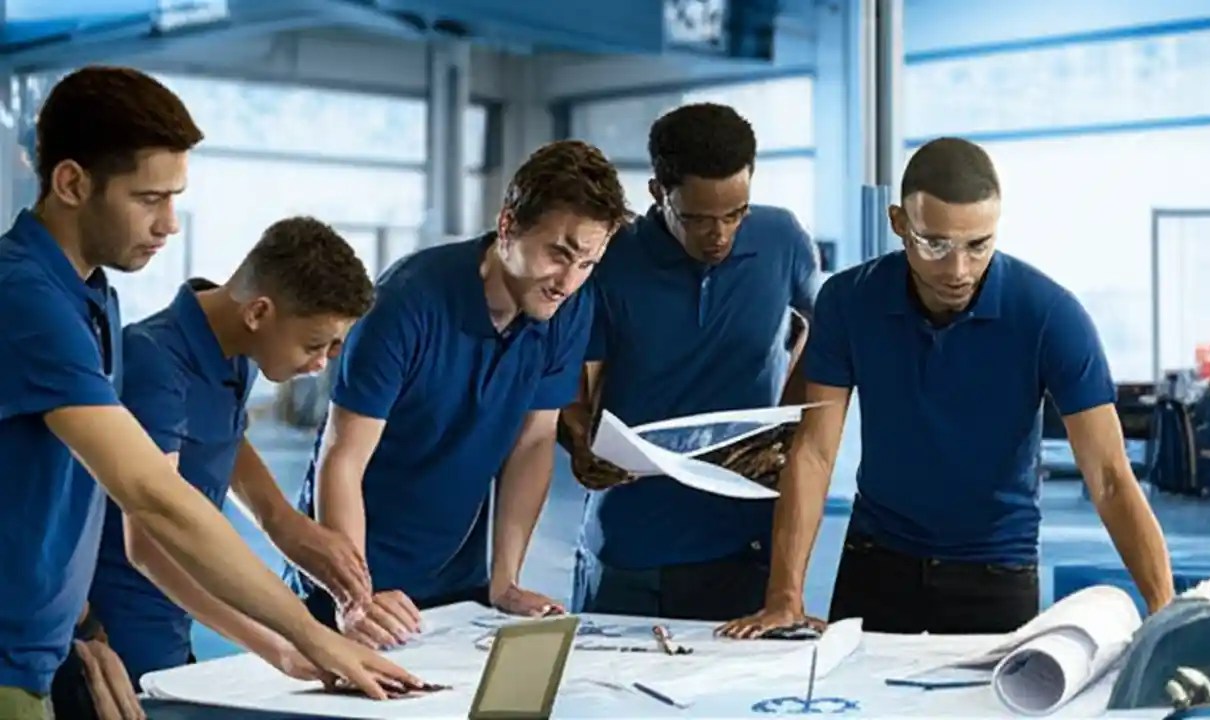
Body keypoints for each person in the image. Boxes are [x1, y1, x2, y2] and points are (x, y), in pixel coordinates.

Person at [0, 65, 420, 720]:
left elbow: (60, 493)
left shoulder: (90, 297)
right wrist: (306, 638)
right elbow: (153, 499)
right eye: (149, 198)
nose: (169, 223)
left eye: (175, 198)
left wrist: (80, 628)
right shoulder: (27, 297)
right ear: (72, 183)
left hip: (43, 649)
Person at [718, 137, 1174, 638]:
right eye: (934, 244)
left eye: (978, 245)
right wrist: (785, 597)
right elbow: (814, 453)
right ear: (898, 223)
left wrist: (1166, 614)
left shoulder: (1050, 316)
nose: (958, 271)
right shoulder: (848, 301)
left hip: (996, 573)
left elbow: (1108, 477)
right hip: (875, 564)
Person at [293, 139, 630, 647]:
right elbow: (342, 459)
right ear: (508, 225)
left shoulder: (567, 310)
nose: (568, 281)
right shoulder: (405, 303)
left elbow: (534, 442)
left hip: (455, 583)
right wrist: (355, 598)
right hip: (348, 578)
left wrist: (505, 581)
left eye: (588, 263)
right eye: (558, 254)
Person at [88, 216, 378, 688]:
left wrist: (283, 521)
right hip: (122, 624)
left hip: (176, 616)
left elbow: (220, 435)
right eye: (314, 344)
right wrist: (281, 646)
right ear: (259, 313)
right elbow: (149, 547)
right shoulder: (154, 361)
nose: (321, 363)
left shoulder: (237, 350)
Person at [559, 102, 821, 621]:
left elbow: (829, 335)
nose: (719, 235)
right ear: (658, 192)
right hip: (630, 542)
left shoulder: (783, 239)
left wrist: (788, 423)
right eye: (697, 219)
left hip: (746, 539)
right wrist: (578, 436)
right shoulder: (611, 258)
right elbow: (567, 371)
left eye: (735, 214)